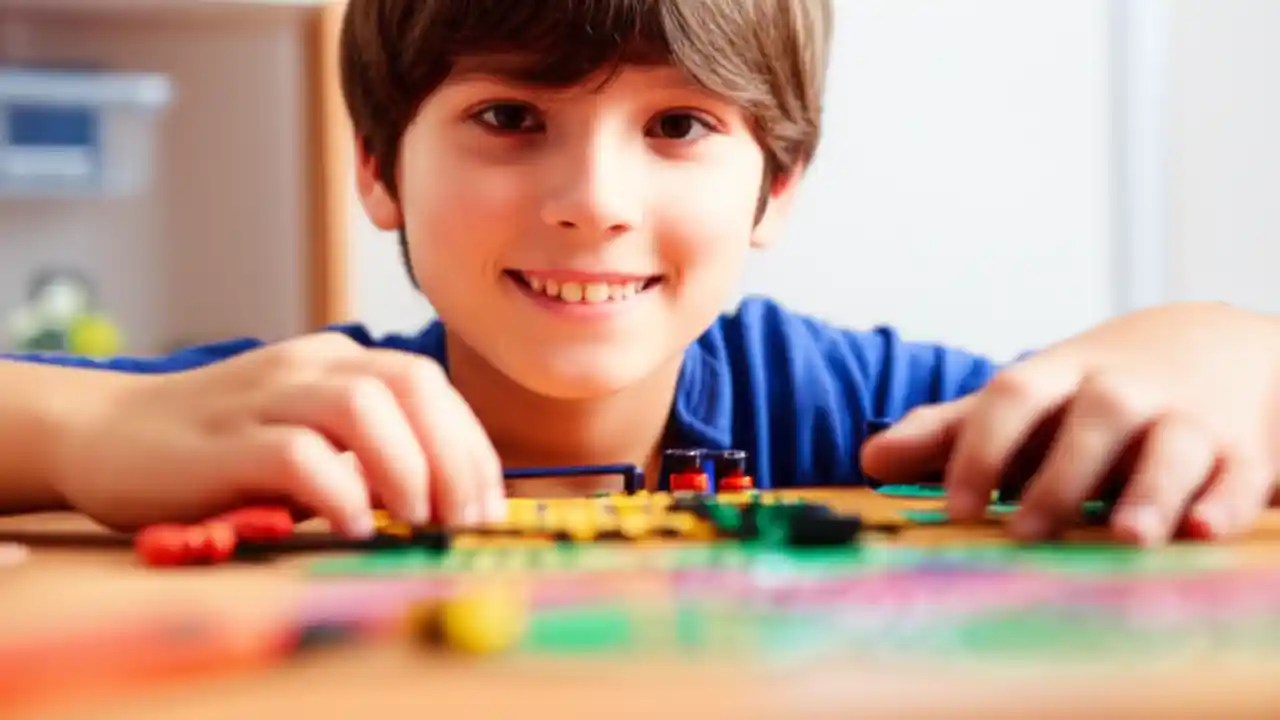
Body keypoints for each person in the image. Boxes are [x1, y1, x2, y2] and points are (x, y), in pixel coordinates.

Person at [0, 0, 1275, 548]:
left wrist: (1230, 354)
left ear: (775, 185)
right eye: (509, 117)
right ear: (379, 167)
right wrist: (92, 427)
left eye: (677, 128)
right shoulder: (300, 420)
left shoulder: (856, 414)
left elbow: (1185, 401)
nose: (593, 204)